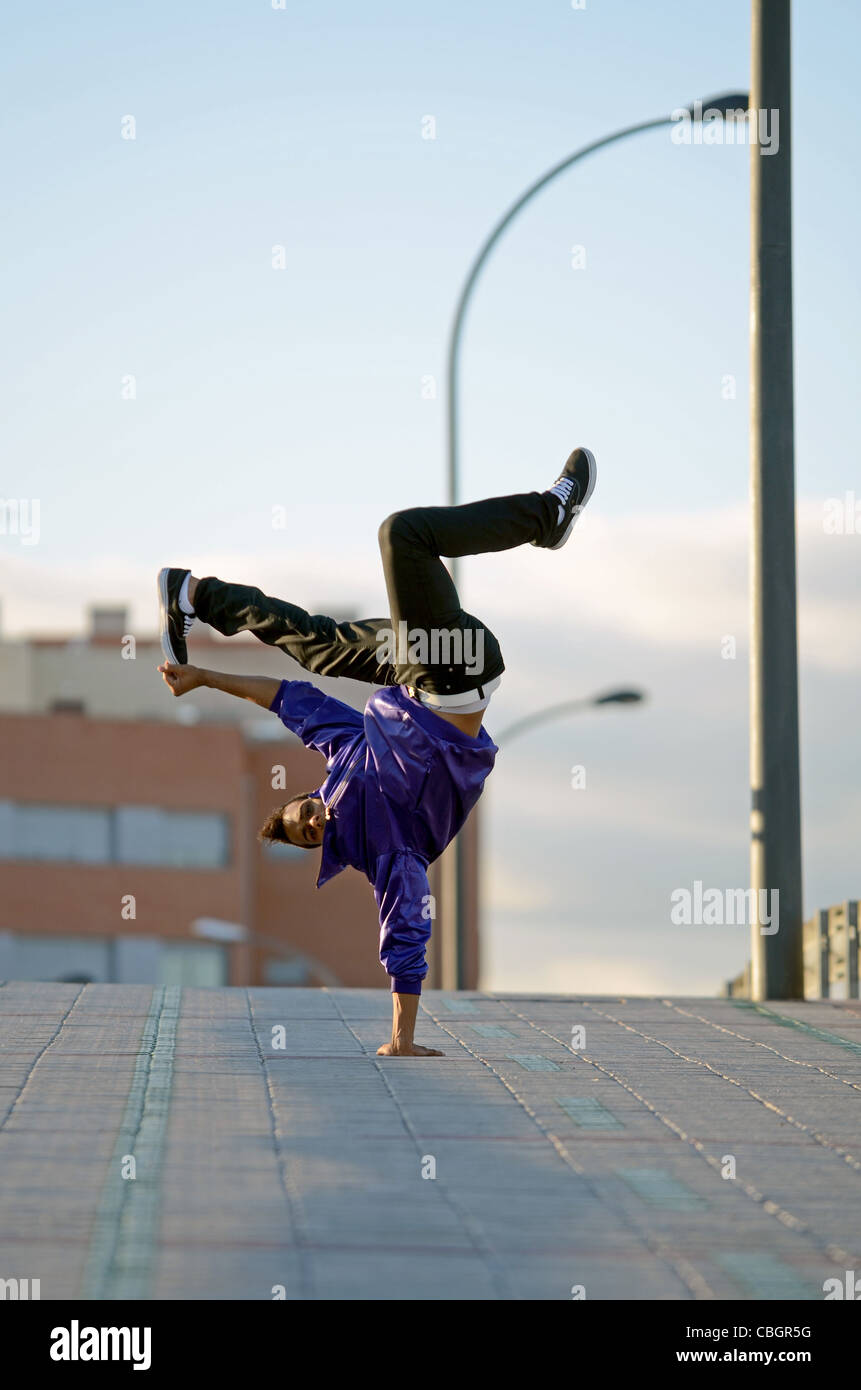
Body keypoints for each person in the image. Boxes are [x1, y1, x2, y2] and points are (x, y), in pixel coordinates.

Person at [157, 447, 596, 1056]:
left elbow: (287, 699)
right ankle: (548, 515)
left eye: (304, 813)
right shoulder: (385, 848)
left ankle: (196, 596)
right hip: (452, 676)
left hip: (409, 664)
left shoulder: (343, 760)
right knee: (403, 533)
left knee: (315, 646)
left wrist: (204, 676)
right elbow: (405, 930)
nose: (314, 820)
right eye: (311, 833)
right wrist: (401, 1040)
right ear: (325, 847)